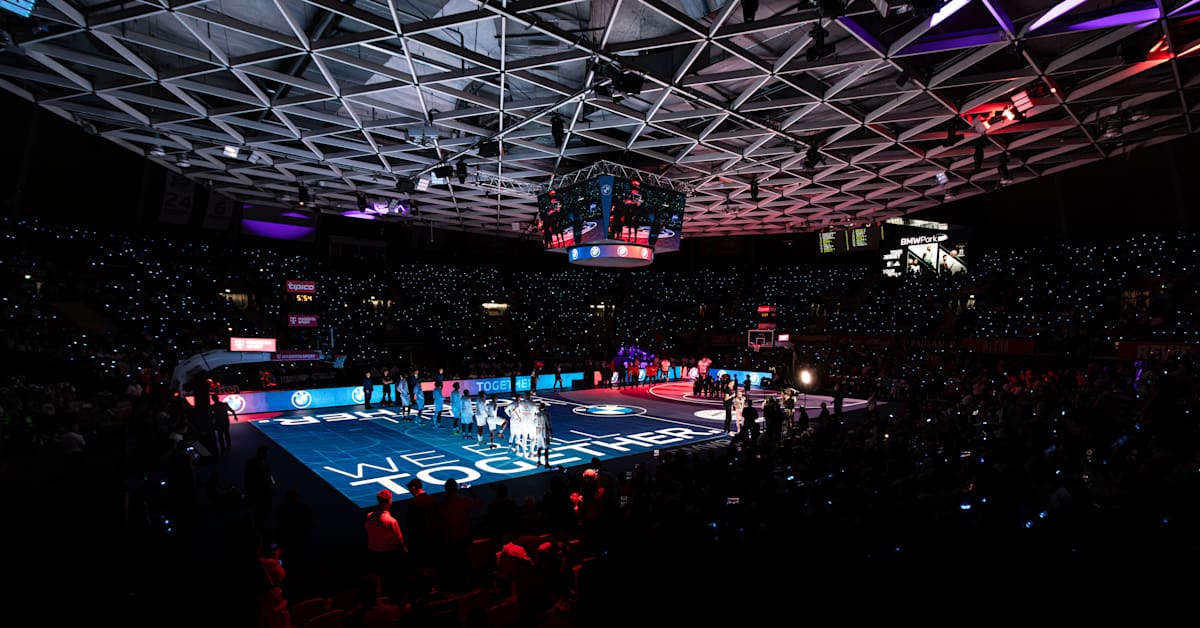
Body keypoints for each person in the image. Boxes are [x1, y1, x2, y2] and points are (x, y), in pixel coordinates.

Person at [365, 489, 408, 597]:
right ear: (390, 501)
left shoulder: (369, 516)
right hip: (388, 556)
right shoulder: (391, 521)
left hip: (373, 553)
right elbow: (399, 540)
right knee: (390, 582)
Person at [244, 445, 275, 537]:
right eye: (266, 454)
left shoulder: (263, 462)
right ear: (261, 453)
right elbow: (250, 480)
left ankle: (261, 529)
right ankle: (258, 531)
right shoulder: (253, 464)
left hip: (265, 492)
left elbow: (269, 474)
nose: (268, 455)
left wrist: (273, 482)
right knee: (259, 513)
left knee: (264, 512)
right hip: (258, 493)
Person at [533, 401, 553, 468]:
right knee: (546, 448)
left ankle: (538, 462)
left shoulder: (537, 414)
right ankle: (546, 463)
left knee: (539, 447)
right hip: (544, 433)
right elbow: (548, 423)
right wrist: (551, 432)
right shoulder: (546, 414)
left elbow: (534, 423)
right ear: (545, 407)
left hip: (538, 432)